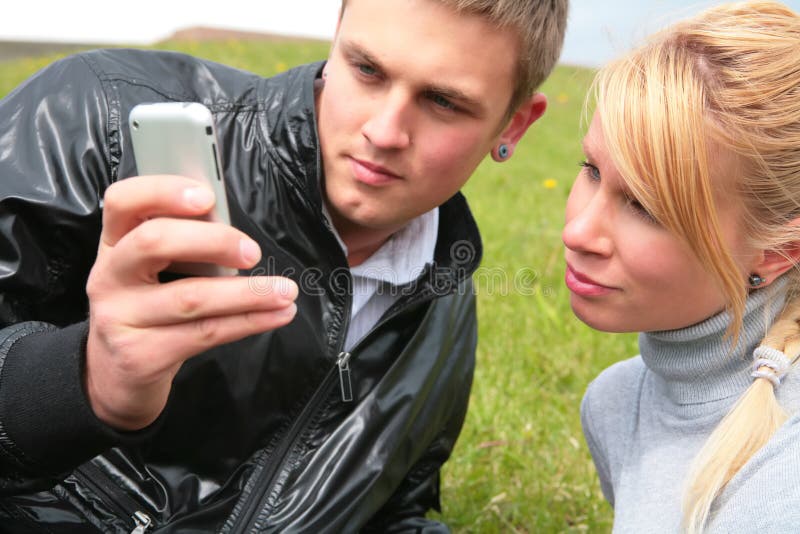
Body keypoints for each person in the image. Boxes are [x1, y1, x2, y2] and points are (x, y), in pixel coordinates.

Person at [0, 0, 567, 532]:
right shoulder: (91, 115)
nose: (384, 132)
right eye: (367, 69)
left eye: (443, 102)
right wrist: (83, 383)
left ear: (513, 126)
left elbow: (394, 508)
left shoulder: (445, 297)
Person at [563, 1, 800, 532]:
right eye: (591, 170)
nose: (576, 232)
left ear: (778, 252)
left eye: (645, 207)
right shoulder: (616, 404)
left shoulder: (784, 484)